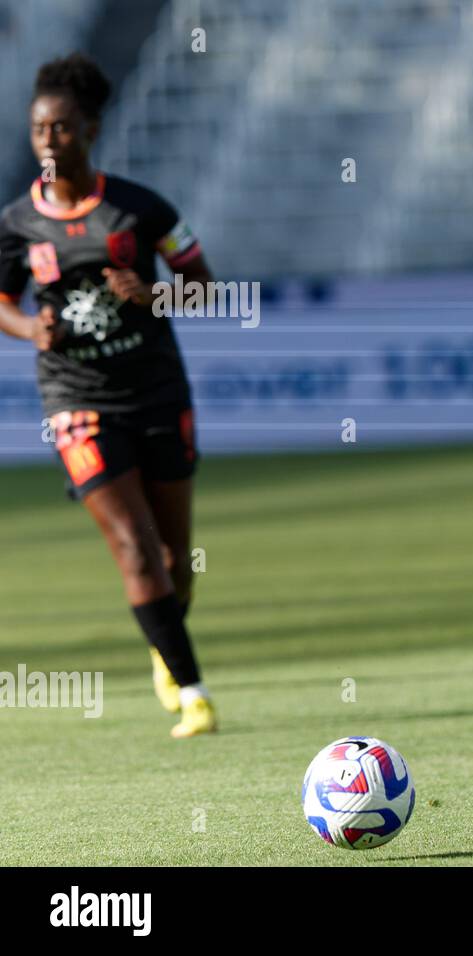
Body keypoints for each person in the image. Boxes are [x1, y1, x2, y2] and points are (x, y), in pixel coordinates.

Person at [0, 53, 218, 737]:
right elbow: (0, 301)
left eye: (60, 129)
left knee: (175, 560)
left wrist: (153, 294)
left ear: (90, 129)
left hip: (155, 391)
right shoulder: (16, 224)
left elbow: (208, 289)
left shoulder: (141, 208)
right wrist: (28, 324)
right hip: (75, 400)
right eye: (39, 130)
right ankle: (194, 692)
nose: (47, 142)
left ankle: (164, 643)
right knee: (133, 545)